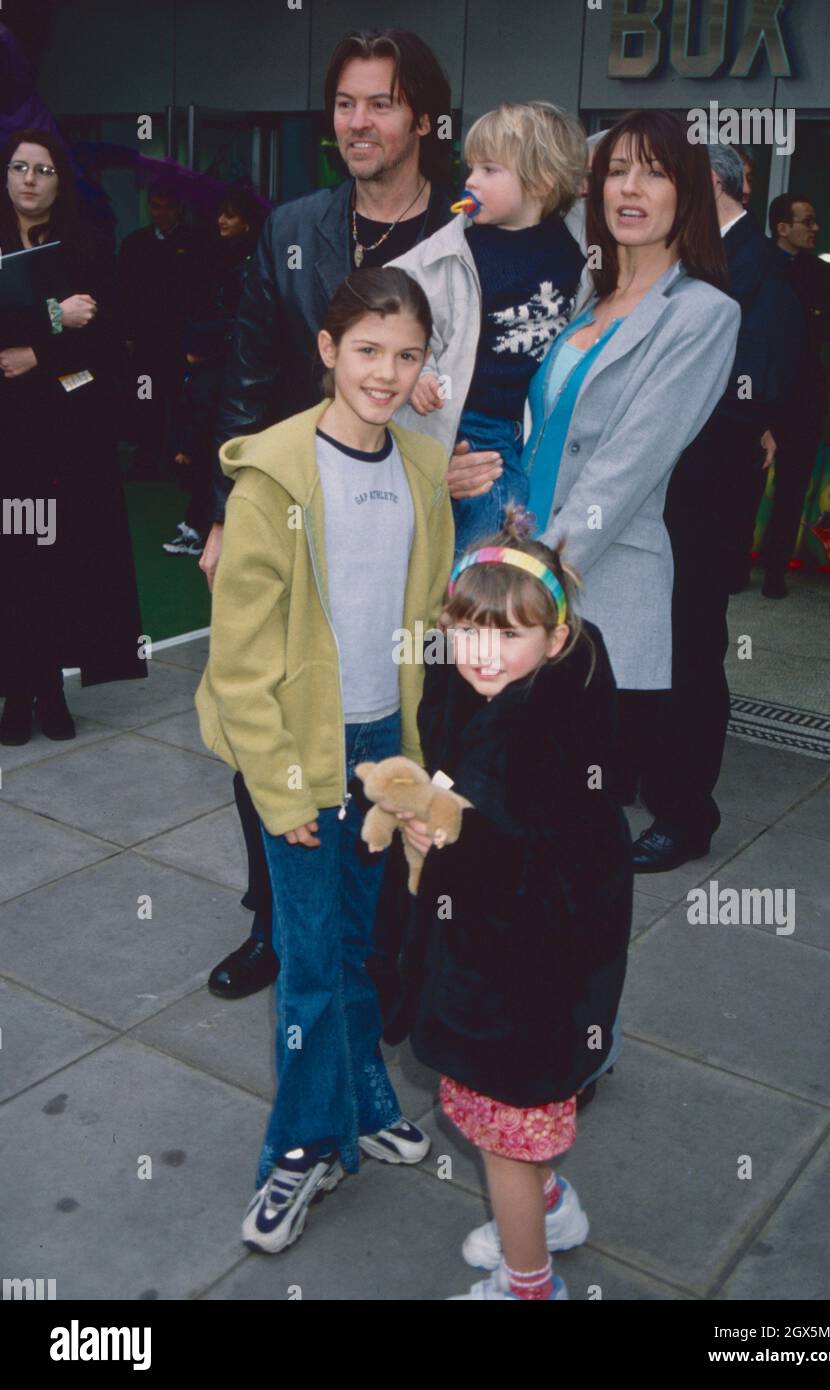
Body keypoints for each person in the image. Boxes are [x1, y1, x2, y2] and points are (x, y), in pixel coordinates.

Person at [195, 267, 454, 1253]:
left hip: (385, 743)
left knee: (359, 940)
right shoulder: (272, 477)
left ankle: (366, 1093)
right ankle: (300, 1150)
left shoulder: (422, 471)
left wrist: (418, 764)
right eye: (366, 351)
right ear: (326, 351)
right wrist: (277, 782)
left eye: (405, 355)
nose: (385, 374)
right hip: (297, 751)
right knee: (306, 961)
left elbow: (422, 621)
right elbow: (240, 657)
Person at [202, 27, 463, 1003]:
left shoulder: (464, 237)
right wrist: (232, 512)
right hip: (301, 523)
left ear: (422, 119)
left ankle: (386, 942)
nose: (357, 121)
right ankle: (275, 924)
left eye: (380, 103)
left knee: (400, 738)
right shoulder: (292, 228)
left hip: (411, 535)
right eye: (346, 103)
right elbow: (249, 379)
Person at [398, 508, 632, 1300]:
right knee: (509, 1128)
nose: (482, 655)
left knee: (504, 1139)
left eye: (508, 636)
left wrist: (437, 849)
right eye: (468, 632)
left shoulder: (523, 745)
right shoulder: (541, 703)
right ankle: (550, 1207)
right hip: (542, 984)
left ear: (555, 639)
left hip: (514, 994)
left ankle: (528, 1280)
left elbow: (513, 873)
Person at [519, 109, 740, 799]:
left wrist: (538, 579)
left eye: (653, 172)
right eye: (616, 171)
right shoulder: (585, 296)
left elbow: (627, 465)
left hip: (594, 588)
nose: (629, 188)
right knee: (511, 802)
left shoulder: (702, 314)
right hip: (519, 564)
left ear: (689, 194)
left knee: (576, 812)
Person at [631, 144, 806, 872]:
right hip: (651, 491)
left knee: (691, 650)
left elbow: (757, 382)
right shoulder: (681, 257)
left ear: (712, 186)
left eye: (669, 175)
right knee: (648, 641)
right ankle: (644, 776)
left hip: (702, 498)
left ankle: (684, 816)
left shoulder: (760, 269)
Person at [388, 101, 589, 554]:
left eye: (490, 169)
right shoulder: (451, 254)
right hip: (476, 418)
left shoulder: (576, 244)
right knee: (503, 515)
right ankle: (478, 605)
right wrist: (421, 371)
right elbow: (409, 328)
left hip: (536, 421)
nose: (471, 180)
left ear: (541, 182)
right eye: (471, 167)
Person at [0, 128, 145, 746]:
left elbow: (106, 337)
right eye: (18, 168)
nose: (29, 179)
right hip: (8, 440)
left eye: (43, 170)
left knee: (61, 564)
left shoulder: (86, 247)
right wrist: (58, 318)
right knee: (13, 565)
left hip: (67, 434)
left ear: (61, 182)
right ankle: (15, 692)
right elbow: (68, 321)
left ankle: (51, 690)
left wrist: (36, 347)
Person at [163, 188, 265, 557]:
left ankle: (204, 526)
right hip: (217, 361)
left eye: (231, 215)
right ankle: (202, 524)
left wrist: (206, 345)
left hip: (234, 367)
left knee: (219, 447)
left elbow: (244, 322)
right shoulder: (216, 256)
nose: (222, 220)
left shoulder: (254, 262)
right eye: (220, 213)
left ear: (248, 222)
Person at [759, 192, 830, 598]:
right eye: (806, 221)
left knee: (794, 485)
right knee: (746, 481)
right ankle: (735, 565)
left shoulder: (822, 273)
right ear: (782, 228)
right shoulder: (758, 266)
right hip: (758, 392)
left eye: (814, 220)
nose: (815, 229)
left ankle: (776, 570)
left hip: (805, 392)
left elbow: (828, 330)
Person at [117, 180, 207, 479]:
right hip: (146, 342)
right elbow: (125, 294)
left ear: (178, 208)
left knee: (183, 402)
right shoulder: (134, 245)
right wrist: (128, 335)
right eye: (156, 206)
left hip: (182, 339)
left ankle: (182, 464)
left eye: (167, 206)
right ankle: (146, 461)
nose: (161, 213)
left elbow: (201, 295)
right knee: (146, 400)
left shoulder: (196, 244)